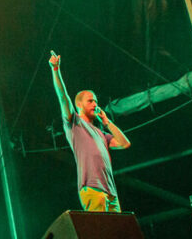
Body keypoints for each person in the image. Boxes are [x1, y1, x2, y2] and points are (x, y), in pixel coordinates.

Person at [49, 51, 131, 212]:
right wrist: (56, 70)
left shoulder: (101, 134)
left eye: (96, 101)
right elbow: (63, 97)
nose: (95, 104)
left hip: (111, 193)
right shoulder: (74, 123)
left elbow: (124, 143)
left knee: (118, 234)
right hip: (93, 189)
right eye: (91, 101)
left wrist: (107, 122)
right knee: (101, 234)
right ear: (79, 104)